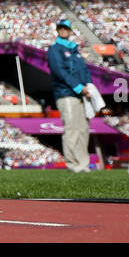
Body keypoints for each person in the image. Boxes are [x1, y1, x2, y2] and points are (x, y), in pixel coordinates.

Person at [47, 18, 93, 173]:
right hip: (66, 94)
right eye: (60, 28)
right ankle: (73, 164)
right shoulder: (55, 49)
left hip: (80, 95)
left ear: (70, 31)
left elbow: (85, 71)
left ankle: (83, 164)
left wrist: (89, 86)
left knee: (83, 129)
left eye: (65, 28)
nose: (63, 30)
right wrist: (80, 87)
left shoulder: (74, 50)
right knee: (72, 128)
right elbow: (60, 72)